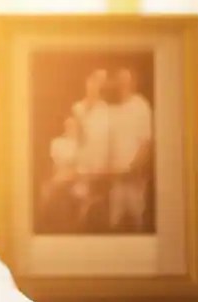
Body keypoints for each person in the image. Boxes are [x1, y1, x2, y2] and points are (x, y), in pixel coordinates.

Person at [107, 67, 154, 231]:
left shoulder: (141, 106)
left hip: (134, 177)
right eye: (119, 80)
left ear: (133, 83)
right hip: (116, 178)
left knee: (136, 221)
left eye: (126, 81)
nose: (122, 84)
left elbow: (146, 143)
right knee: (115, 222)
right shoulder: (113, 110)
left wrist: (135, 168)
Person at [71, 69, 111, 230]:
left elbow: (106, 140)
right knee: (80, 207)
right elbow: (77, 138)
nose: (97, 85)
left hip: (101, 168)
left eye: (102, 82)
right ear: (87, 82)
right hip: (82, 167)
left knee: (99, 208)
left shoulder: (107, 109)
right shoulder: (77, 108)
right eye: (95, 80)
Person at [39, 115, 82, 230]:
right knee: (46, 191)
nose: (71, 128)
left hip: (75, 180)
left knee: (77, 193)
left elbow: (77, 167)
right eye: (68, 125)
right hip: (59, 178)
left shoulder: (81, 145)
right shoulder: (57, 143)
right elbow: (55, 165)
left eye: (73, 126)